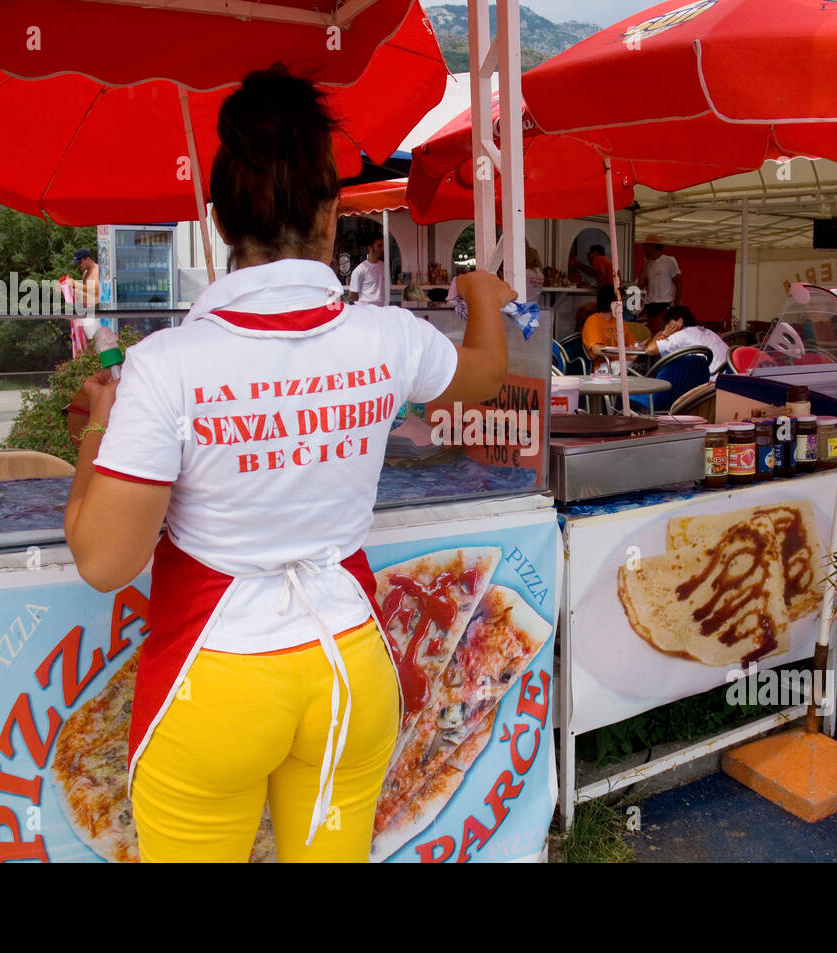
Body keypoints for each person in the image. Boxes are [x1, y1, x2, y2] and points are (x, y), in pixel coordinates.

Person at [62, 67, 513, 864]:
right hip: (347, 670)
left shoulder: (166, 365)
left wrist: (97, 431)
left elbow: (105, 558)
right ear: (334, 210)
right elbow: (481, 373)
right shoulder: (385, 336)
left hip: (215, 684)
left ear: (220, 218)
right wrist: (480, 287)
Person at [644, 305, 728, 377]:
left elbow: (650, 350)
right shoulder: (708, 332)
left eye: (667, 324)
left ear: (679, 322)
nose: (665, 328)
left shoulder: (682, 335)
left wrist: (663, 333)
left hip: (711, 383)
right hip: (726, 377)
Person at [581, 285, 632, 371]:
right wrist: (623, 351)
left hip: (625, 364)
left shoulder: (620, 321)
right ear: (609, 302)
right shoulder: (593, 320)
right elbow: (596, 349)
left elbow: (631, 345)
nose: (622, 305)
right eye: (619, 301)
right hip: (604, 367)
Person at [637, 238, 681, 334]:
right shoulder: (648, 264)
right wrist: (645, 264)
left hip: (665, 303)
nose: (645, 248)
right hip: (650, 304)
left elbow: (679, 283)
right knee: (652, 333)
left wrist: (676, 305)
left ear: (654, 246)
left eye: (647, 246)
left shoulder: (669, 260)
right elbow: (640, 285)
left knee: (661, 333)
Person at [348, 237, 386, 304]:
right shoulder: (360, 269)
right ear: (370, 248)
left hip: (381, 309)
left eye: (383, 246)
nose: (382, 249)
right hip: (365, 310)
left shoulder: (384, 266)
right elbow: (353, 295)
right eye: (379, 246)